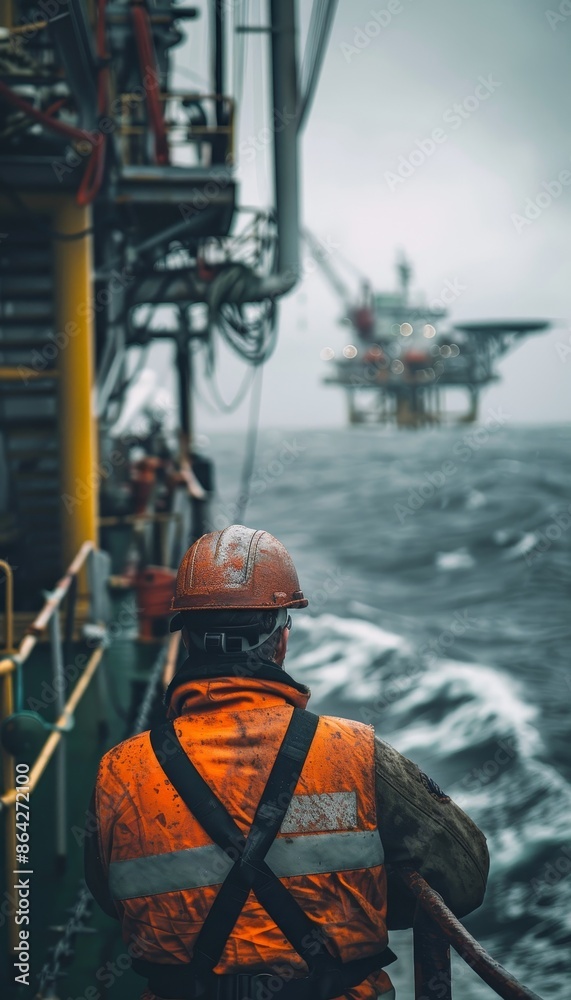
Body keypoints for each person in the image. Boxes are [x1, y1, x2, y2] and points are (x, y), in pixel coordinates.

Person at [85, 525, 489, 1000]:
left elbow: (111, 897)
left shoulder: (121, 771)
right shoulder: (353, 750)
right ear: (280, 642)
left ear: (187, 643)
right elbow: (463, 877)